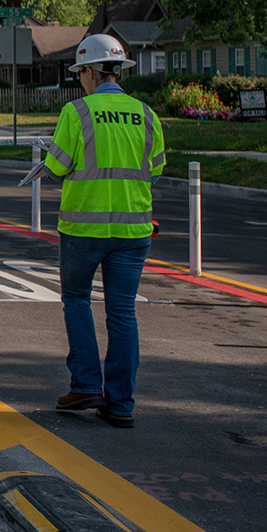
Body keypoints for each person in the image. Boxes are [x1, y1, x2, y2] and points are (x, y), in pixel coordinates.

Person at [43, 34, 165, 428]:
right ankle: (122, 405)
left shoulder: (77, 113)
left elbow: (57, 167)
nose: (80, 79)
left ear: (92, 72)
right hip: (133, 231)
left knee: (77, 300)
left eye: (80, 72)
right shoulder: (145, 114)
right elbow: (156, 168)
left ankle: (85, 385)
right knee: (122, 313)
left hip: (84, 230)